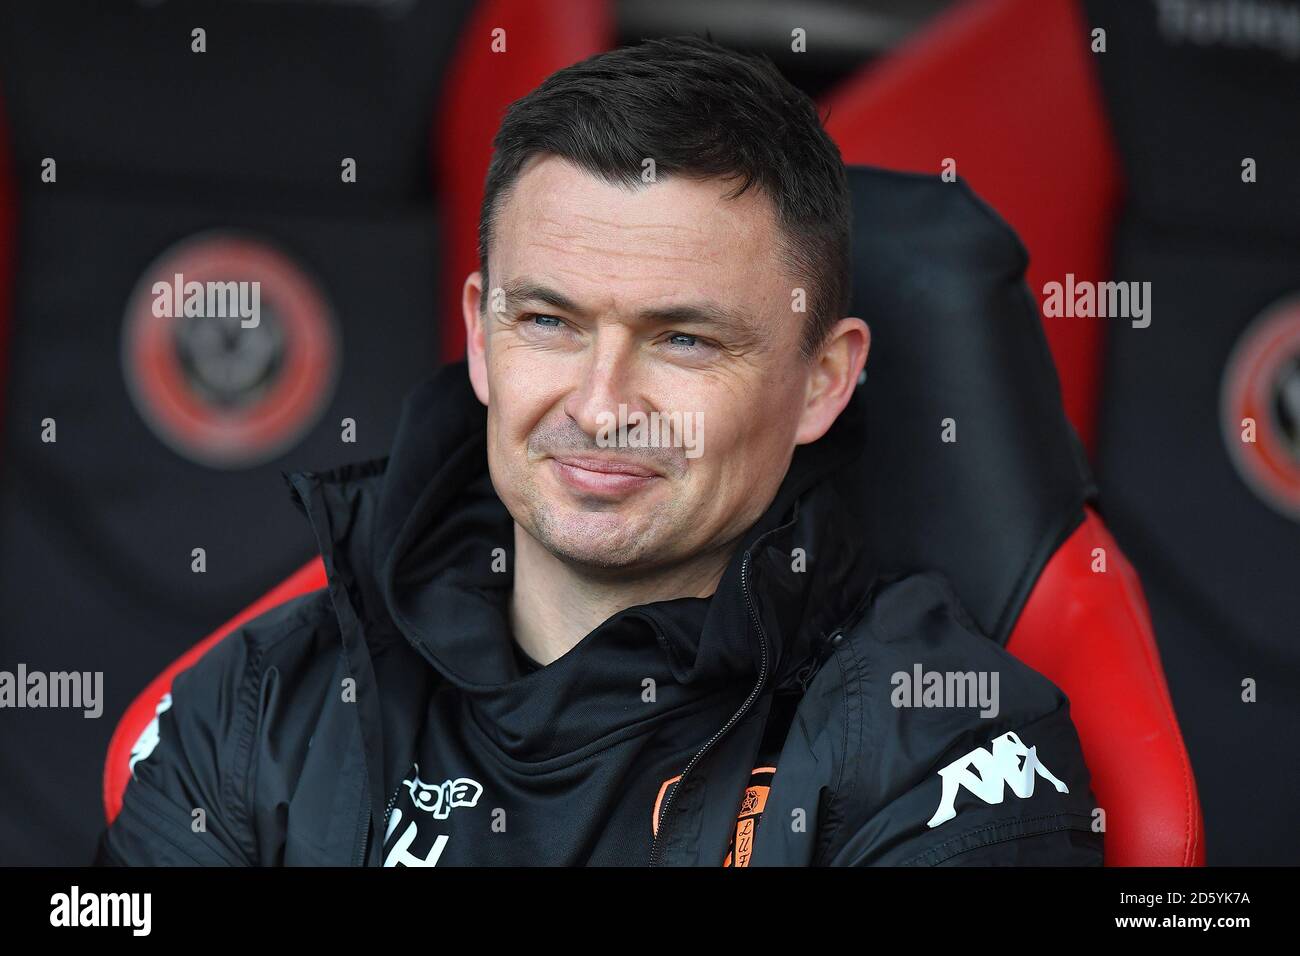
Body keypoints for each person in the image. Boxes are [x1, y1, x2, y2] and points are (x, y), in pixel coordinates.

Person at [95, 36, 1102, 866]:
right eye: (548, 321)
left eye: (683, 338)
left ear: (821, 381)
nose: (601, 402)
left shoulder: (941, 754)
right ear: (480, 335)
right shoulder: (264, 700)